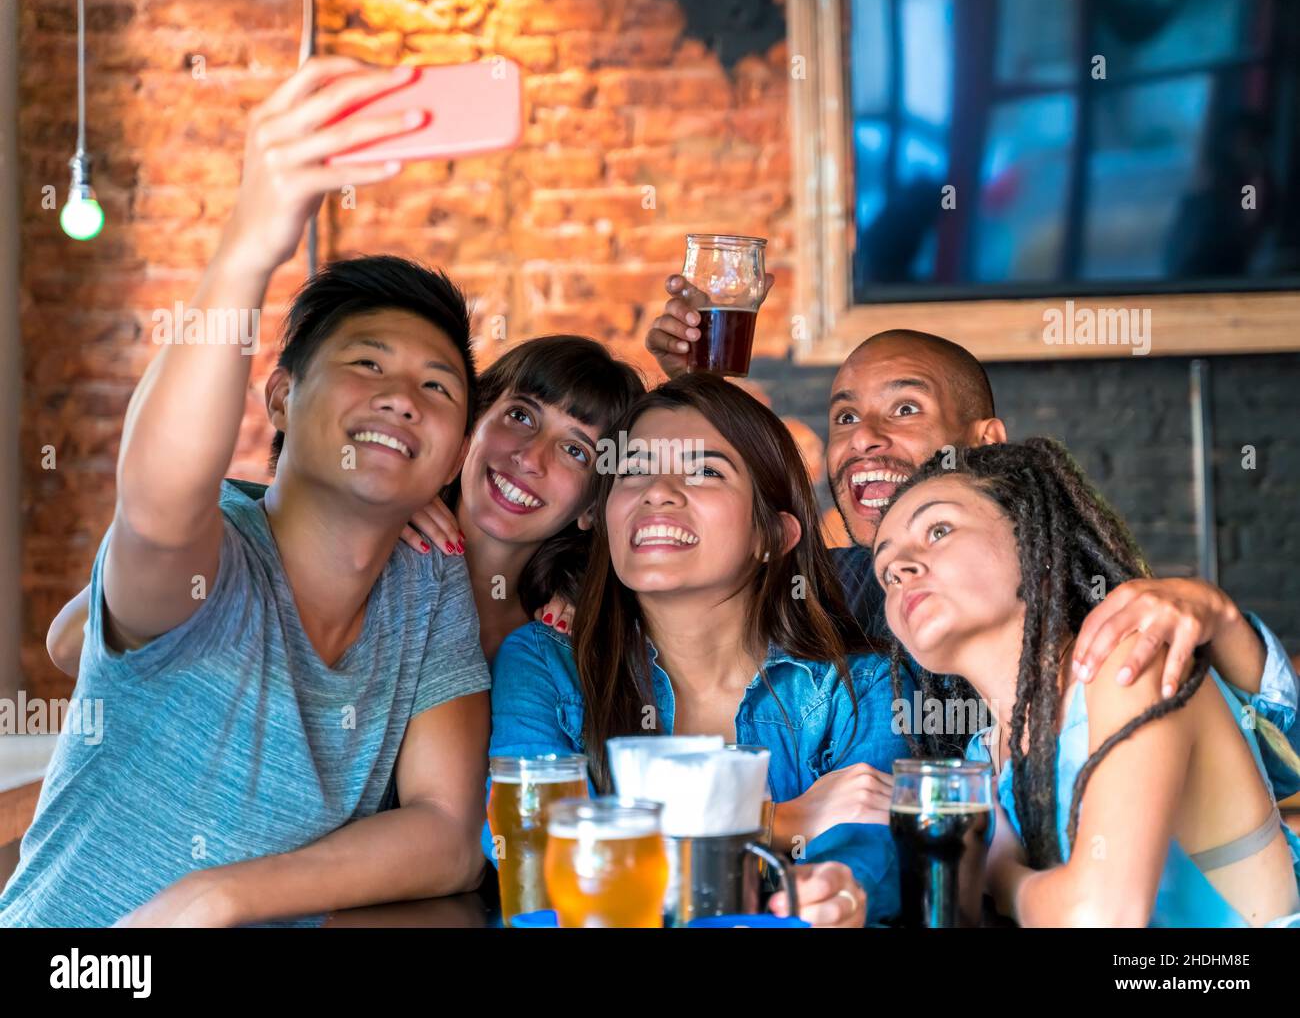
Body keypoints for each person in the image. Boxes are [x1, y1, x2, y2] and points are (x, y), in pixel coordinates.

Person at [1, 58, 493, 927]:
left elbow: (448, 832)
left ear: (453, 452)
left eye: (438, 388)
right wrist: (251, 242)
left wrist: (219, 894)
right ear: (279, 398)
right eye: (366, 363)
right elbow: (156, 505)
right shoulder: (215, 559)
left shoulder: (428, 579)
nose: (400, 398)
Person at [645, 279, 1300, 797]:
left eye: (905, 408)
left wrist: (1220, 619)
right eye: (845, 414)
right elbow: (685, 568)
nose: (863, 436)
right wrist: (693, 392)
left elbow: (1274, 768)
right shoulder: (826, 587)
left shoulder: (1077, 598)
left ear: (985, 445)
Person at [487, 374, 913, 927]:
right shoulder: (543, 663)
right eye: (634, 470)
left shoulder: (860, 686)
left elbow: (871, 850)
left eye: (706, 471)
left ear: (774, 535)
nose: (657, 491)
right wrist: (773, 823)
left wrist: (839, 889)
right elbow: (535, 855)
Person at [872, 438, 1300, 926]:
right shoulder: (984, 757)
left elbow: (1100, 917)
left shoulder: (1127, 667)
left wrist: (998, 874)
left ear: (1031, 537)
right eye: (887, 573)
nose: (901, 570)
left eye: (938, 529)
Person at [46, 334, 644, 671]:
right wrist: (373, 510)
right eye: (519, 416)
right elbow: (71, 644)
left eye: (576, 451)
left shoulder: (567, 637)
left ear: (591, 507)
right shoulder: (340, 544)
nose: (531, 457)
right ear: (468, 429)